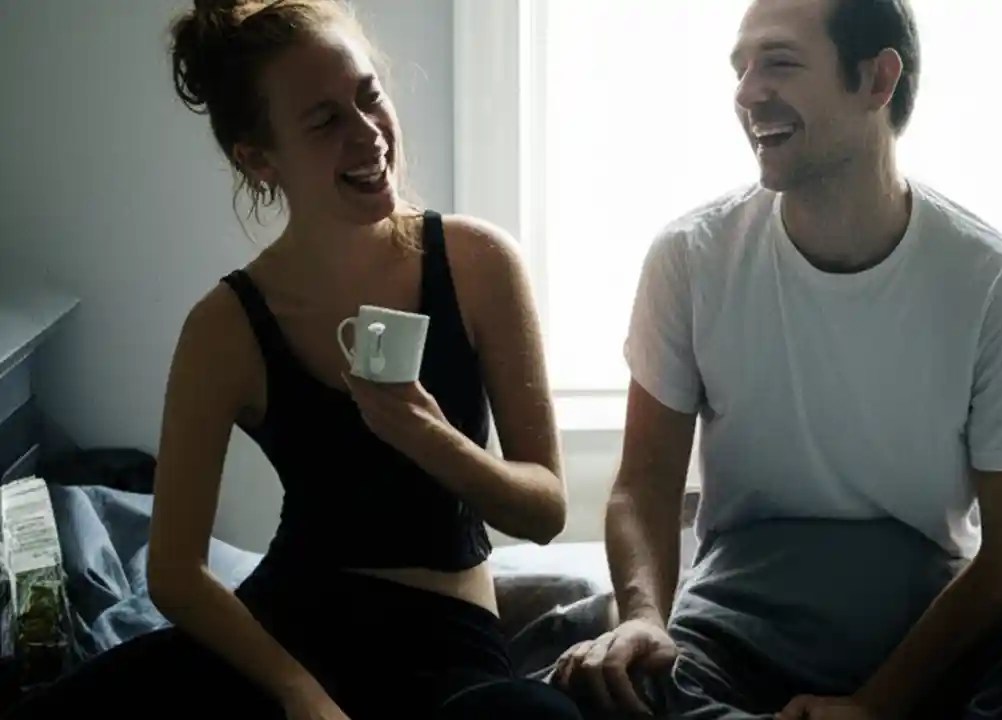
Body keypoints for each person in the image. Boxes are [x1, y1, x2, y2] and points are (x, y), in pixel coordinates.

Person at [5, 1, 582, 718]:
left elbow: (544, 511)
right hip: (284, 632)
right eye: (325, 121)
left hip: (446, 645)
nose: (368, 133)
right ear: (259, 157)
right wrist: (298, 692)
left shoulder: (478, 263)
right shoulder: (226, 327)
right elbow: (175, 572)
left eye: (370, 95)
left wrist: (431, 437)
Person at [551, 0, 1002, 717]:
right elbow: (643, 483)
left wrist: (874, 706)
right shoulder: (691, 257)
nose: (746, 93)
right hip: (736, 617)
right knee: (587, 696)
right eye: (740, 69)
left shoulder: (995, 284)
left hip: (922, 631)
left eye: (778, 62)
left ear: (877, 79)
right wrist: (645, 617)